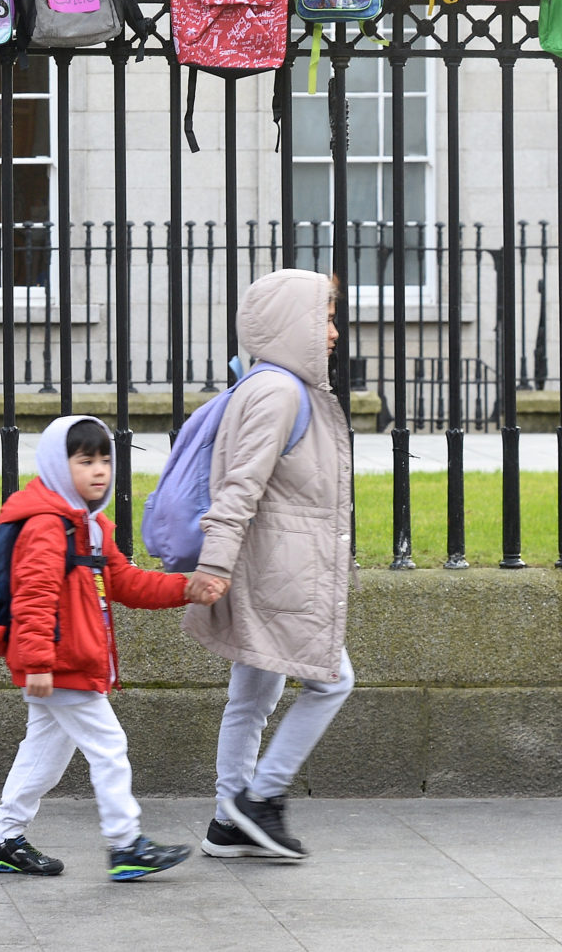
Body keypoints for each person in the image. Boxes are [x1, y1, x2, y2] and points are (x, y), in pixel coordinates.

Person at [0, 414, 222, 881]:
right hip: (61, 662)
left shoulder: (90, 525)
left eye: (105, 460)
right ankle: (125, 844)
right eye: (85, 460)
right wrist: (38, 662)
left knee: (44, 755)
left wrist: (186, 587)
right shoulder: (47, 526)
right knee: (109, 745)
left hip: (64, 662)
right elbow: (33, 597)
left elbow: (126, 583)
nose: (99, 471)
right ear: (58, 464)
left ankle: (5, 840)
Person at [184, 269, 354, 862]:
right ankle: (261, 798)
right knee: (333, 681)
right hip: (277, 572)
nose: (333, 332)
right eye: (325, 319)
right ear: (293, 323)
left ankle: (228, 822)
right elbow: (240, 485)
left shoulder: (270, 385)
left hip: (269, 564)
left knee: (253, 694)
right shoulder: (279, 392)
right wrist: (215, 562)